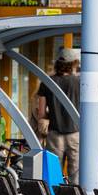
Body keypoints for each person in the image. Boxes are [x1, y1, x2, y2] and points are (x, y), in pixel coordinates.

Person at [35, 48, 81, 183]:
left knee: (54, 174)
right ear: (73, 63)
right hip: (75, 134)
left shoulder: (47, 82)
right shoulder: (79, 83)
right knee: (75, 175)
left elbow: (42, 112)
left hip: (54, 134)